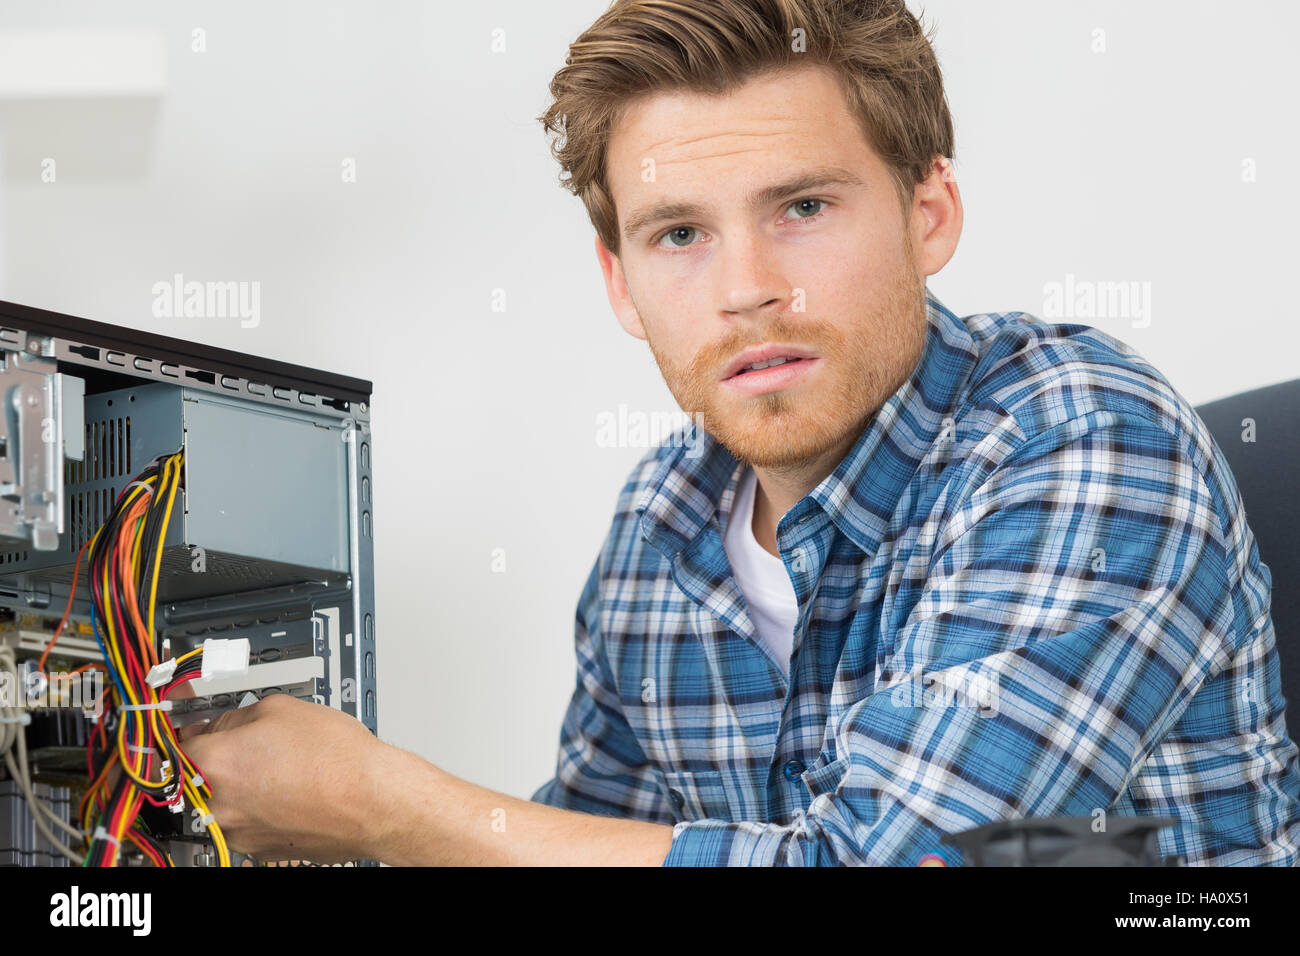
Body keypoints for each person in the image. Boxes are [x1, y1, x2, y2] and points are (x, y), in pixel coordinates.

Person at [183, 0, 1300, 866]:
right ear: (619, 282)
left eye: (802, 207)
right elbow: (569, 849)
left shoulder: (1084, 444)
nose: (746, 289)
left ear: (929, 212)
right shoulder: (660, 527)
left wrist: (382, 806)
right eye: (678, 234)